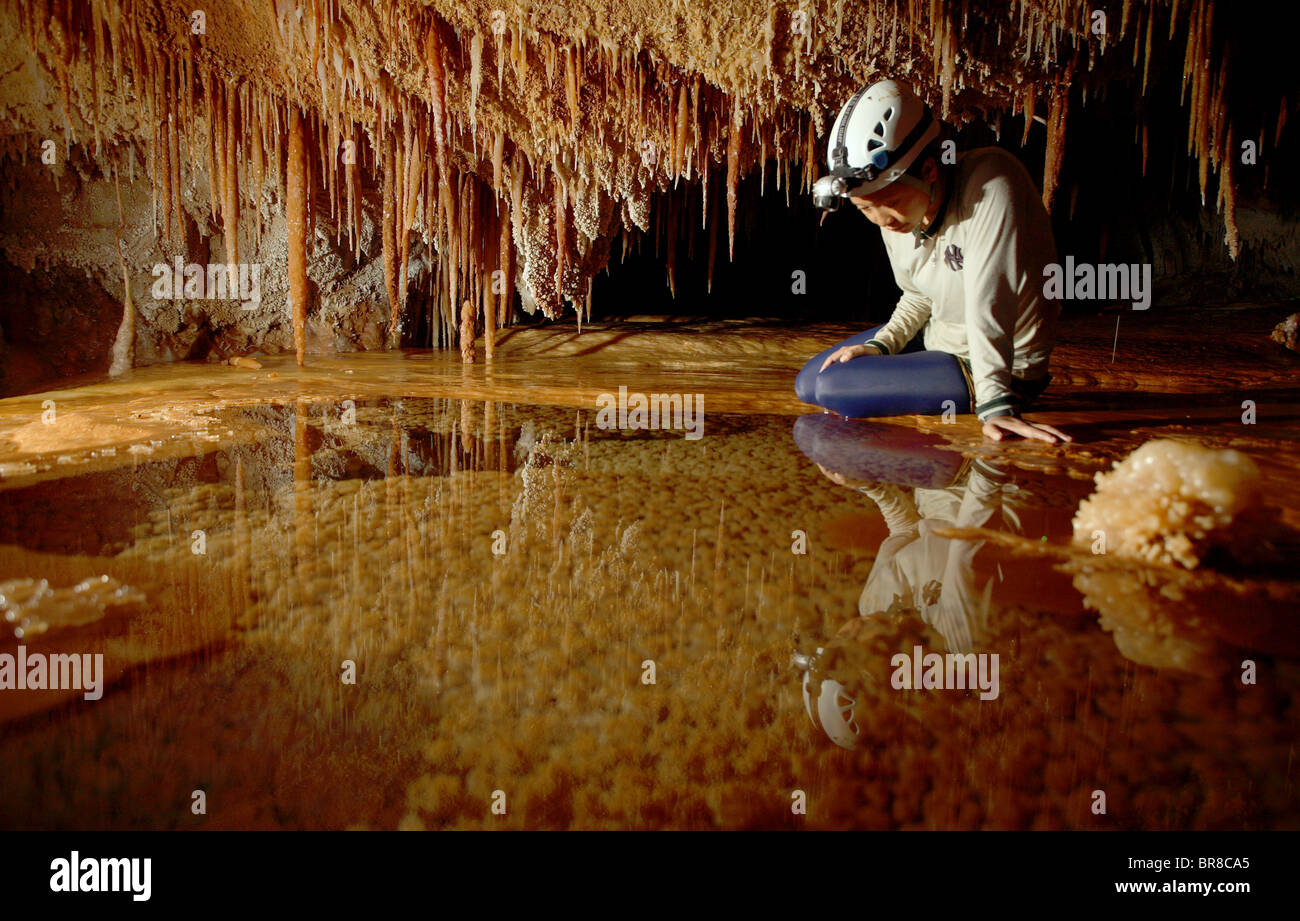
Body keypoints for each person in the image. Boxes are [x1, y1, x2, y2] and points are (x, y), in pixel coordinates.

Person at [795, 79, 1071, 445]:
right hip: (938, 341)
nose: (881, 219)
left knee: (835, 389)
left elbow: (990, 298)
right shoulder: (898, 214)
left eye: (888, 200)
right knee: (810, 381)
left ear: (928, 169)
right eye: (865, 208)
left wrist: (996, 405)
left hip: (1000, 368)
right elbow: (918, 294)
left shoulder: (991, 182)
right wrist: (882, 345)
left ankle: (986, 395)